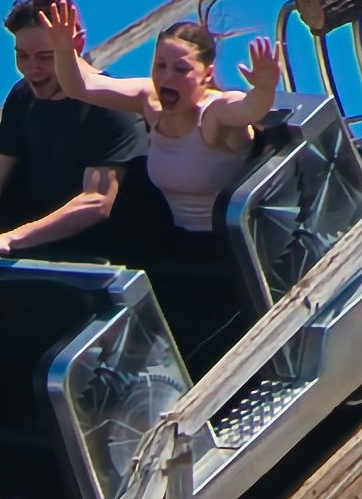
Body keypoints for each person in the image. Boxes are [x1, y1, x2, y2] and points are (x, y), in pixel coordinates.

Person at [118, 24, 298, 366]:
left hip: (234, 249)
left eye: (181, 69)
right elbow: (84, 87)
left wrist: (264, 87)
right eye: (160, 66)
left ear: (207, 73)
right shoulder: (155, 110)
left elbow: (249, 109)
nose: (167, 77)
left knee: (198, 342)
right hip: (186, 246)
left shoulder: (215, 112)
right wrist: (63, 53)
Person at [0, 0, 148, 265]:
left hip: (99, 256)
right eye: (23, 56)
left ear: (77, 44)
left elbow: (96, 201)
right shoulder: (24, 97)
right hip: (32, 245)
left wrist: (10, 240)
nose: (33, 69)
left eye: (46, 57)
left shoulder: (111, 106)